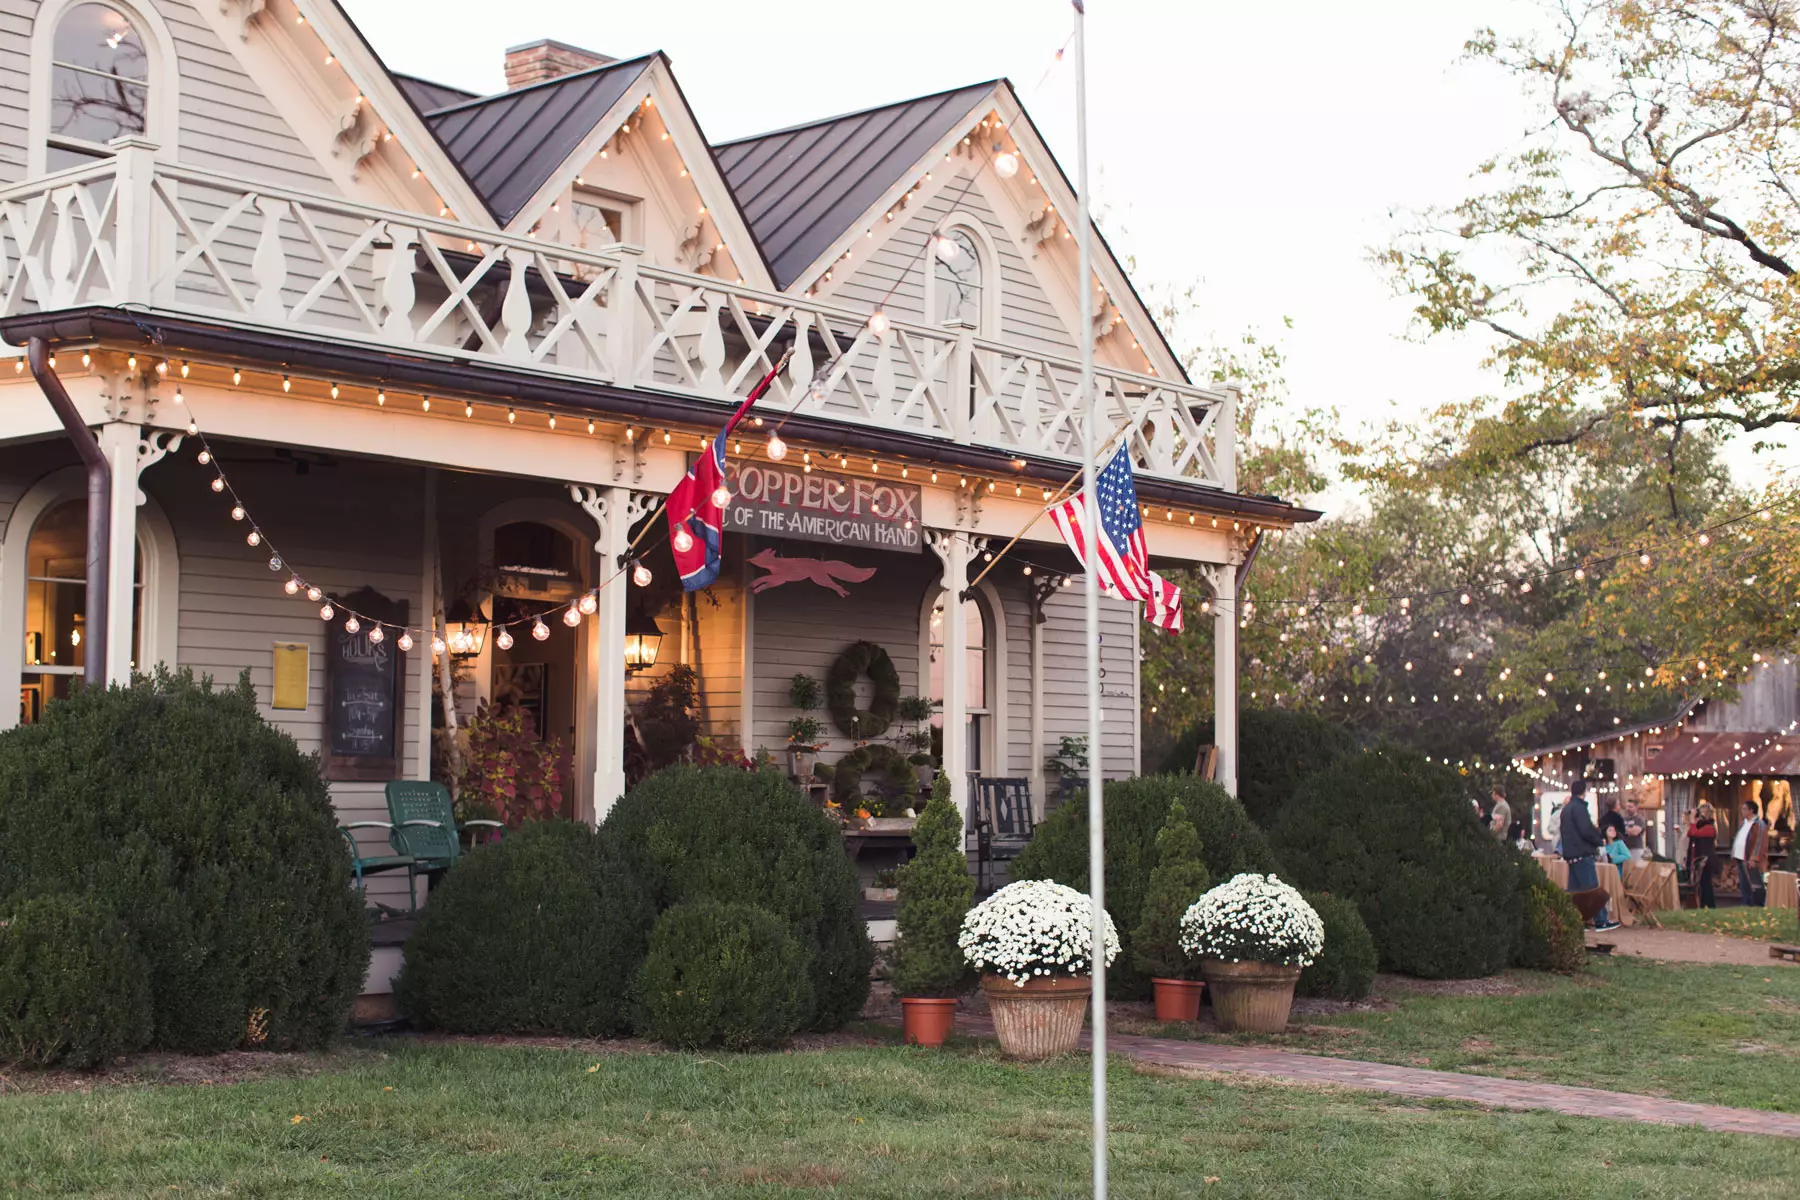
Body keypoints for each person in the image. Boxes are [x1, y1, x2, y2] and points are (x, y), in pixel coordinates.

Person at [1560, 778, 1618, 930]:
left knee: (1575, 893)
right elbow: (1586, 830)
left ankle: (1575, 920)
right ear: (1583, 792)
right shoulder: (1579, 808)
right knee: (1592, 890)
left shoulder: (1566, 809)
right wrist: (1599, 840)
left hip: (1571, 854)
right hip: (1582, 853)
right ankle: (1601, 921)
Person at [1733, 798, 1769, 908]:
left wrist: (1754, 858)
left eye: (1744, 809)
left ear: (1751, 810)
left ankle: (1758, 904)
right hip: (1741, 857)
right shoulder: (1743, 823)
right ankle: (1746, 903)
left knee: (1755, 883)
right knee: (1744, 884)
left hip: (1751, 858)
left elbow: (1760, 843)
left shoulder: (1759, 824)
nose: (1742, 811)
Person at [1686, 802, 1717, 909]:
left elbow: (1696, 833)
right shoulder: (1700, 825)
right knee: (1700, 884)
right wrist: (1694, 822)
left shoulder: (1709, 827)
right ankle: (1702, 904)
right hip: (1698, 859)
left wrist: (1693, 822)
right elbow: (1690, 833)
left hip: (1706, 860)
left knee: (1706, 883)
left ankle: (1710, 905)